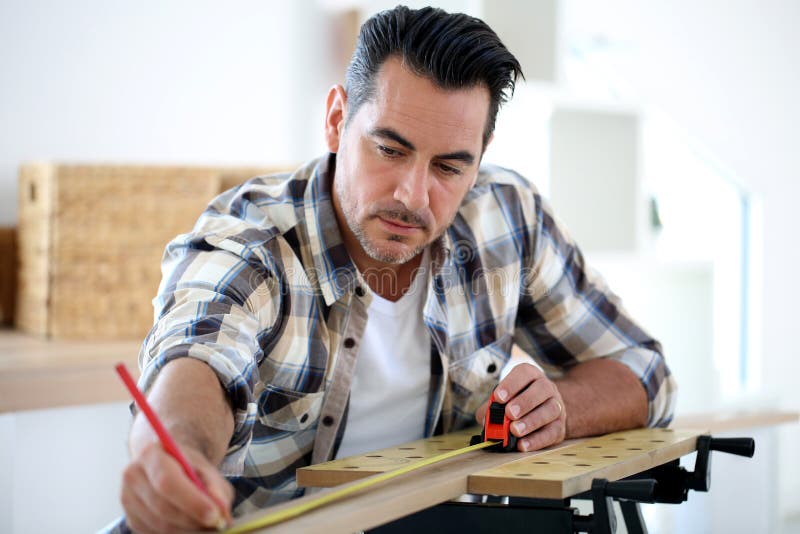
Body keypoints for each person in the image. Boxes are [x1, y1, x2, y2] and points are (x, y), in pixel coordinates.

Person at [117, 5, 676, 533]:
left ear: (480, 158)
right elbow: (197, 357)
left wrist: (563, 409)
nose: (413, 195)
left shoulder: (507, 216)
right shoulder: (254, 243)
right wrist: (175, 454)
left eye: (450, 167)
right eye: (389, 149)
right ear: (337, 120)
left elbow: (646, 371)